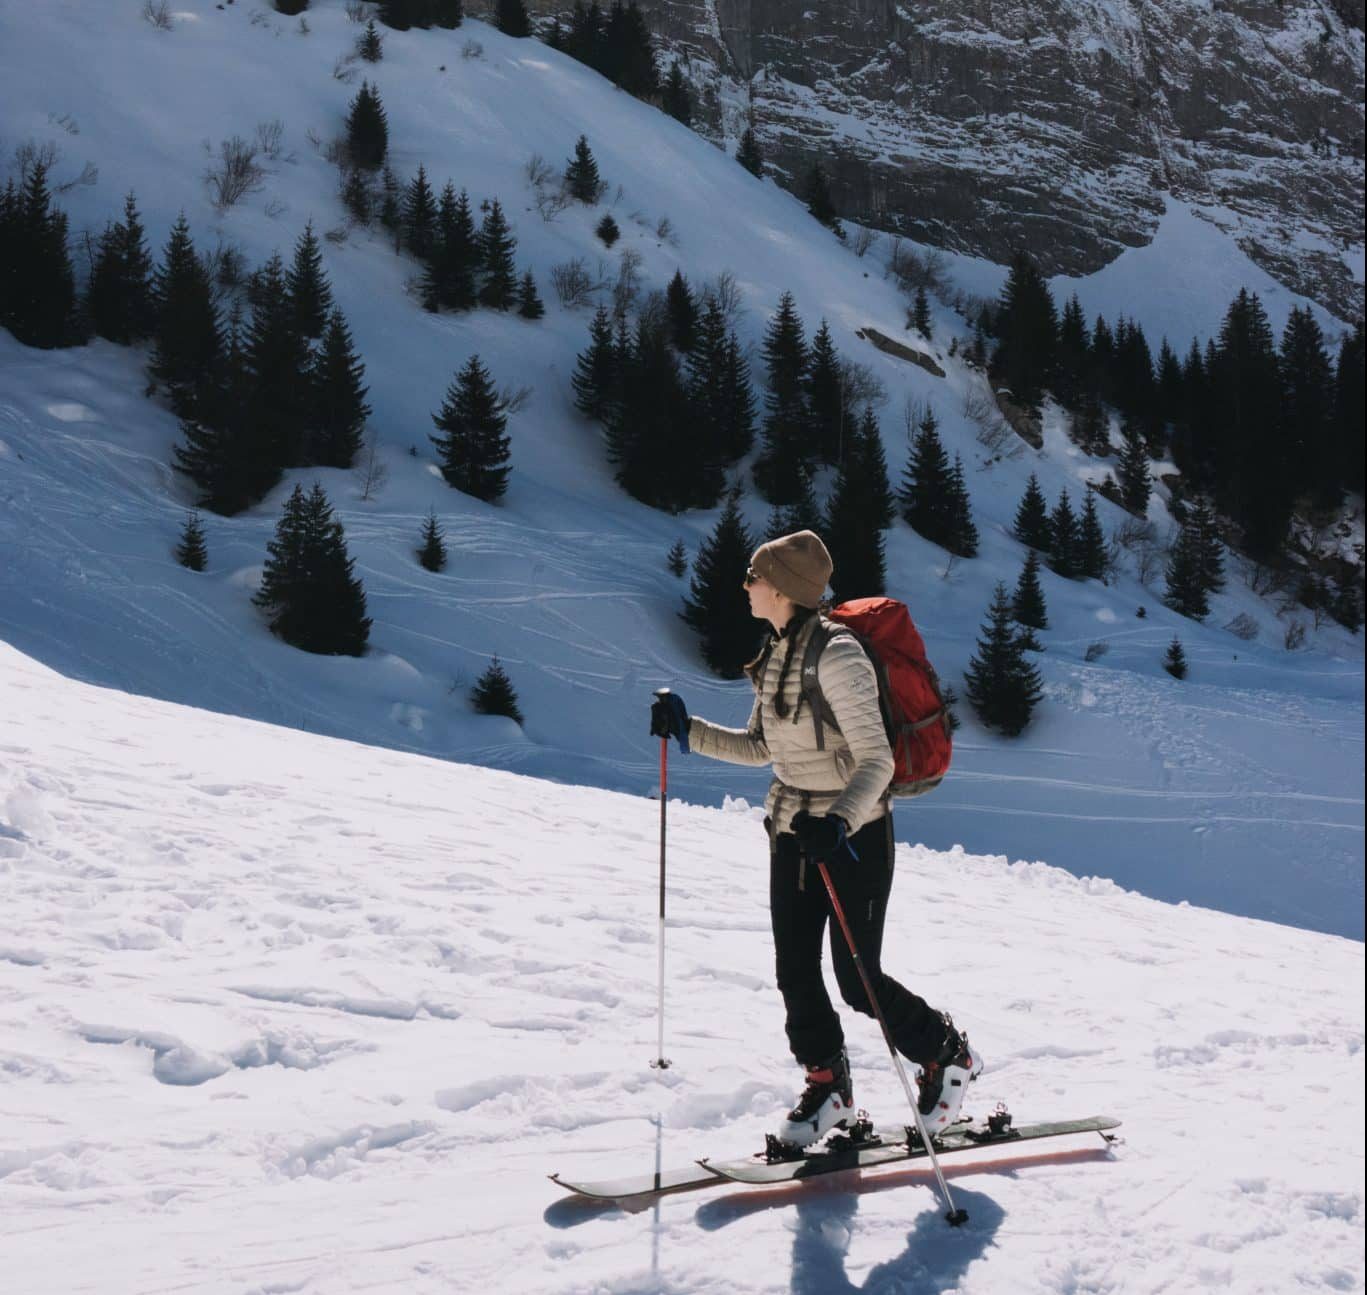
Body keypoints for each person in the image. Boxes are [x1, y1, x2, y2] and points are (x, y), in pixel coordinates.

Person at [651, 529, 982, 1148]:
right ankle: (829, 1085)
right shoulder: (778, 650)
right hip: (792, 833)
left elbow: (876, 761)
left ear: (779, 588)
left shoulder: (838, 656)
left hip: (852, 838)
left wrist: (839, 821)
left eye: (753, 576)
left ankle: (948, 1056)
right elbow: (761, 748)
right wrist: (687, 730)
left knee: (858, 981)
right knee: (795, 970)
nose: (745, 585)